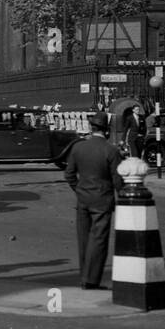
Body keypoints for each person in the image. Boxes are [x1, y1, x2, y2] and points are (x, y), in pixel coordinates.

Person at [63, 110, 124, 290]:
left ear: (91, 127)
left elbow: (69, 175)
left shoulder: (78, 147)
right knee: (98, 239)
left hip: (83, 199)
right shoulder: (111, 150)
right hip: (102, 199)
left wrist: (79, 190)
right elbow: (117, 179)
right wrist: (124, 197)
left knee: (84, 239)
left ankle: (84, 277)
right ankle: (92, 280)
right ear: (106, 130)